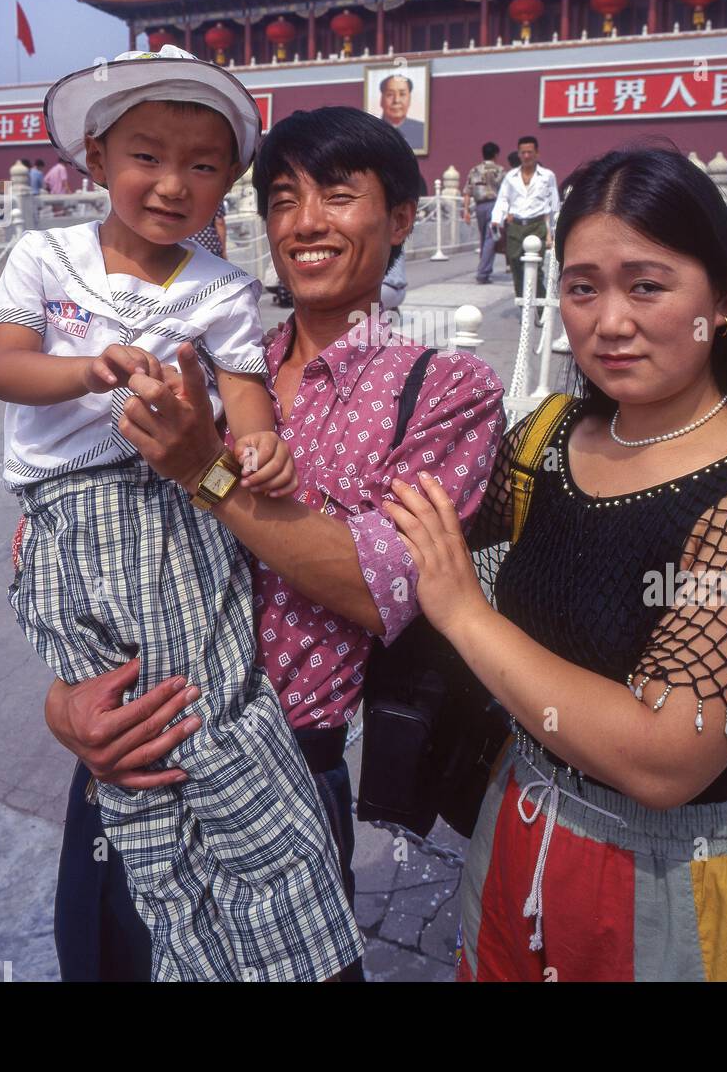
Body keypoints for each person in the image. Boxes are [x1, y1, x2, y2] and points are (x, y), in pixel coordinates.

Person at [39, 105, 505, 981]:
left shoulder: (445, 388)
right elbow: (77, 539)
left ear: (401, 217)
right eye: (284, 198)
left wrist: (203, 472)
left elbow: (380, 587)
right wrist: (64, 708)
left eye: (338, 195)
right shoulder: (206, 356)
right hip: (133, 758)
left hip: (284, 771)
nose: (305, 223)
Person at [384, 145, 727, 982]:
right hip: (520, 827)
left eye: (647, 284)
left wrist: (464, 614)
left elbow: (664, 758)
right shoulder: (553, 437)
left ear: (724, 300)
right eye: (582, 286)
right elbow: (404, 559)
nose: (609, 321)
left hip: (685, 883)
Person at [0, 45, 361, 983]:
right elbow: (4, 367)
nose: (171, 184)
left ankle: (267, 907)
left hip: (172, 512)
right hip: (67, 520)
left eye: (202, 166)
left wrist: (259, 445)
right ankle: (203, 924)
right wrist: (92, 368)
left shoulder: (220, 289)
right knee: (122, 722)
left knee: (203, 706)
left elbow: (244, 396)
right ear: (97, 158)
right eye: (146, 155)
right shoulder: (44, 255)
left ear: (227, 184)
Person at [491, 136, 560, 320]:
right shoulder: (510, 177)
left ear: (537, 153)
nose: (527, 155)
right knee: (515, 265)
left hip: (537, 225)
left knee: (535, 268)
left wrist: (554, 231)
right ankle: (524, 306)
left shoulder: (547, 176)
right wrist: (497, 219)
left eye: (530, 152)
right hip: (515, 226)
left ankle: (539, 310)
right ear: (519, 154)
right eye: (523, 152)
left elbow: (553, 204)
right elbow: (503, 199)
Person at [463, 142, 504, 284]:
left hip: (479, 206)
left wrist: (466, 211)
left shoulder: (474, 170)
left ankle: (484, 267)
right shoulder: (499, 170)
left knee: (484, 239)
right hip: (495, 205)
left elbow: (467, 192)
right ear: (496, 155)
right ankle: (483, 272)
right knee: (490, 239)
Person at [378, 73, 425, 152]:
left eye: (402, 94)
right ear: (381, 100)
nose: (396, 100)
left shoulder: (422, 130)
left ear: (409, 99)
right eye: (390, 95)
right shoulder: (371, 132)